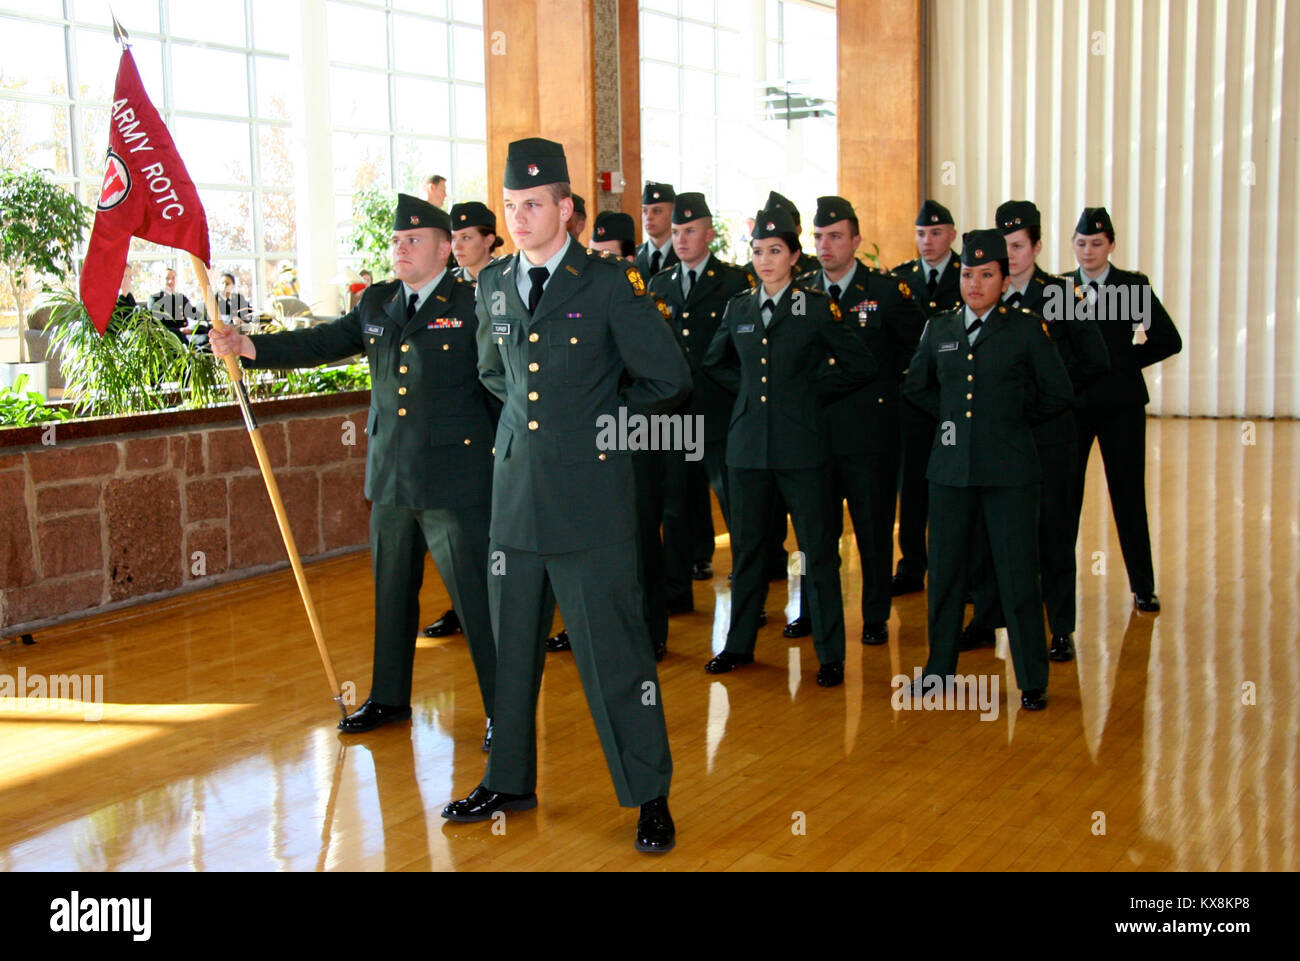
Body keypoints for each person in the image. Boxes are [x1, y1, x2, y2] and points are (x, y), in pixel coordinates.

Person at [442, 138, 691, 853]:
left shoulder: (611, 284)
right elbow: (496, 375)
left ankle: (649, 793)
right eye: (512, 206)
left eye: (534, 205)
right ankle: (509, 777)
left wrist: (599, 432)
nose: (519, 218)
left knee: (615, 657)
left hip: (592, 503)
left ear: (568, 210)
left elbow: (666, 380)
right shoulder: (491, 285)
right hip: (516, 496)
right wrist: (532, 433)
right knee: (511, 649)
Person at [207, 194, 501, 750]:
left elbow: (497, 387)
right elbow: (322, 342)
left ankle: (501, 713)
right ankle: (389, 697)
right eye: (396, 241)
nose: (400, 249)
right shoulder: (379, 302)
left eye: (413, 240)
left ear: (445, 249)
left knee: (475, 602)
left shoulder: (475, 300)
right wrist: (249, 346)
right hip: (390, 476)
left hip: (455, 478)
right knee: (392, 592)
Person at [701, 206, 877, 687]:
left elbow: (860, 364)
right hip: (748, 447)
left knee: (817, 550)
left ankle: (831, 654)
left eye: (775, 251)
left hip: (802, 447)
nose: (765, 260)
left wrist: (806, 394)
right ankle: (738, 645)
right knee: (750, 551)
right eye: (757, 251)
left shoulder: (814, 305)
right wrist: (748, 398)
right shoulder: (739, 306)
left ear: (795, 256)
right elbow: (714, 361)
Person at [902, 228, 1075, 711]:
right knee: (947, 573)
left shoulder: (1025, 329)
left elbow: (1057, 393)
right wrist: (954, 420)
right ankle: (937, 672)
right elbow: (917, 386)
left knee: (1018, 572)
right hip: (951, 470)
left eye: (986, 275)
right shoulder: (940, 329)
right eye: (967, 274)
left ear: (1004, 278)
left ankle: (1032, 679)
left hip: (1010, 470)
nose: (974, 283)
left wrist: (1010, 421)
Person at [960, 200, 1110, 662]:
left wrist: (1050, 397)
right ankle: (987, 617)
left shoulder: (1063, 296)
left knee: (1054, 533)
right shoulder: (983, 294)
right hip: (995, 441)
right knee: (988, 531)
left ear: (1037, 246)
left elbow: (1096, 362)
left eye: (1019, 245)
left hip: (1048, 439)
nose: (1010, 255)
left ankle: (1059, 627)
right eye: (1004, 246)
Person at [785, 196, 926, 644]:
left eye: (836, 237)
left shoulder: (885, 292)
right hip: (814, 434)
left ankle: (874, 616)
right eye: (819, 237)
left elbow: (916, 352)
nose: (825, 246)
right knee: (813, 536)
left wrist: (889, 394)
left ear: (856, 241)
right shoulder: (800, 292)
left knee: (873, 529)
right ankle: (813, 612)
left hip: (869, 434)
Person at [1067, 206, 1182, 613]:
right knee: (1064, 499)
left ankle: (1142, 587)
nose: (1088, 252)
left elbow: (1168, 339)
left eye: (1097, 244)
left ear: (1111, 245)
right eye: (1081, 244)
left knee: (1129, 495)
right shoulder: (1059, 290)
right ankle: (1055, 585)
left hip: (1121, 406)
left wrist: (1121, 361)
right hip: (1075, 407)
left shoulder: (1132, 287)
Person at [648, 191, 751, 615]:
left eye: (690, 231)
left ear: (709, 234)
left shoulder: (733, 283)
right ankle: (676, 591)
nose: (682, 239)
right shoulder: (659, 284)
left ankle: (749, 593)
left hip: (720, 410)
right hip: (675, 414)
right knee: (675, 506)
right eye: (676, 232)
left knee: (735, 505)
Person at [421, 200, 505, 640]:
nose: (458, 246)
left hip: (497, 414)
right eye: (452, 238)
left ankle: (503, 603)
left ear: (490, 238)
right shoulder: (446, 287)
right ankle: (464, 605)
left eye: (467, 237)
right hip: (460, 420)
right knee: (462, 531)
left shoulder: (506, 281)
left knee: (495, 524)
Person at [890, 200, 963, 596]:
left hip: (956, 400)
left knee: (955, 487)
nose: (928, 241)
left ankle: (956, 567)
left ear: (952, 235)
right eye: (921, 234)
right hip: (916, 401)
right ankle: (912, 564)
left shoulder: (969, 275)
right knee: (913, 486)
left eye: (936, 233)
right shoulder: (902, 280)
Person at [635, 182, 677, 279]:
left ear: (673, 214)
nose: (649, 217)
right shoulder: (632, 257)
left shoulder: (685, 256)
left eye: (657, 211)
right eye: (645, 211)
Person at [147, 267, 193, 344]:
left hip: (184, 334)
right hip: (167, 338)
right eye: (167, 278)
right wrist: (179, 330)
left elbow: (192, 314)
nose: (170, 281)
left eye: (173, 278)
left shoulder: (181, 298)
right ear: (160, 280)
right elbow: (156, 324)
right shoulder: (155, 299)